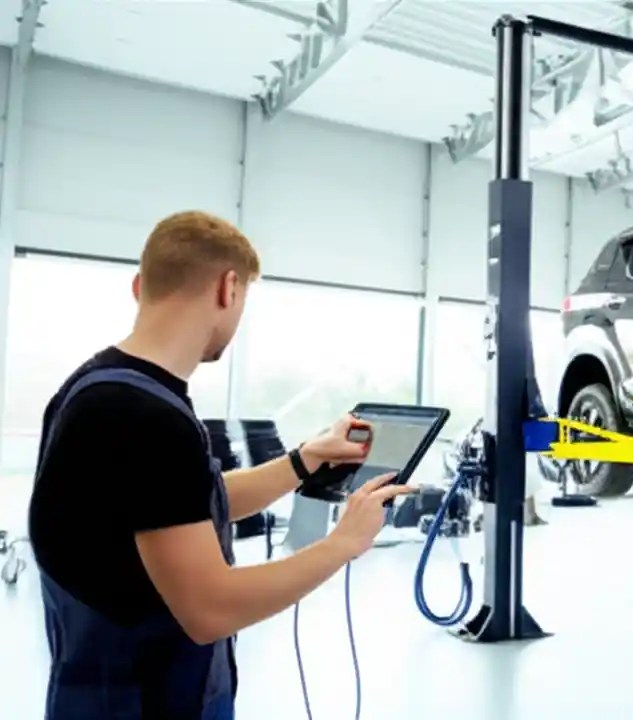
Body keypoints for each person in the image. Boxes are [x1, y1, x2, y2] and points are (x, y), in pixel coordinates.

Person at [26, 210, 413, 719]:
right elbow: (211, 609)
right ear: (229, 289)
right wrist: (344, 543)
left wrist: (304, 460)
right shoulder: (147, 417)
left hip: (100, 691)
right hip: (149, 703)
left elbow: (180, 506)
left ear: (140, 286)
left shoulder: (93, 389)